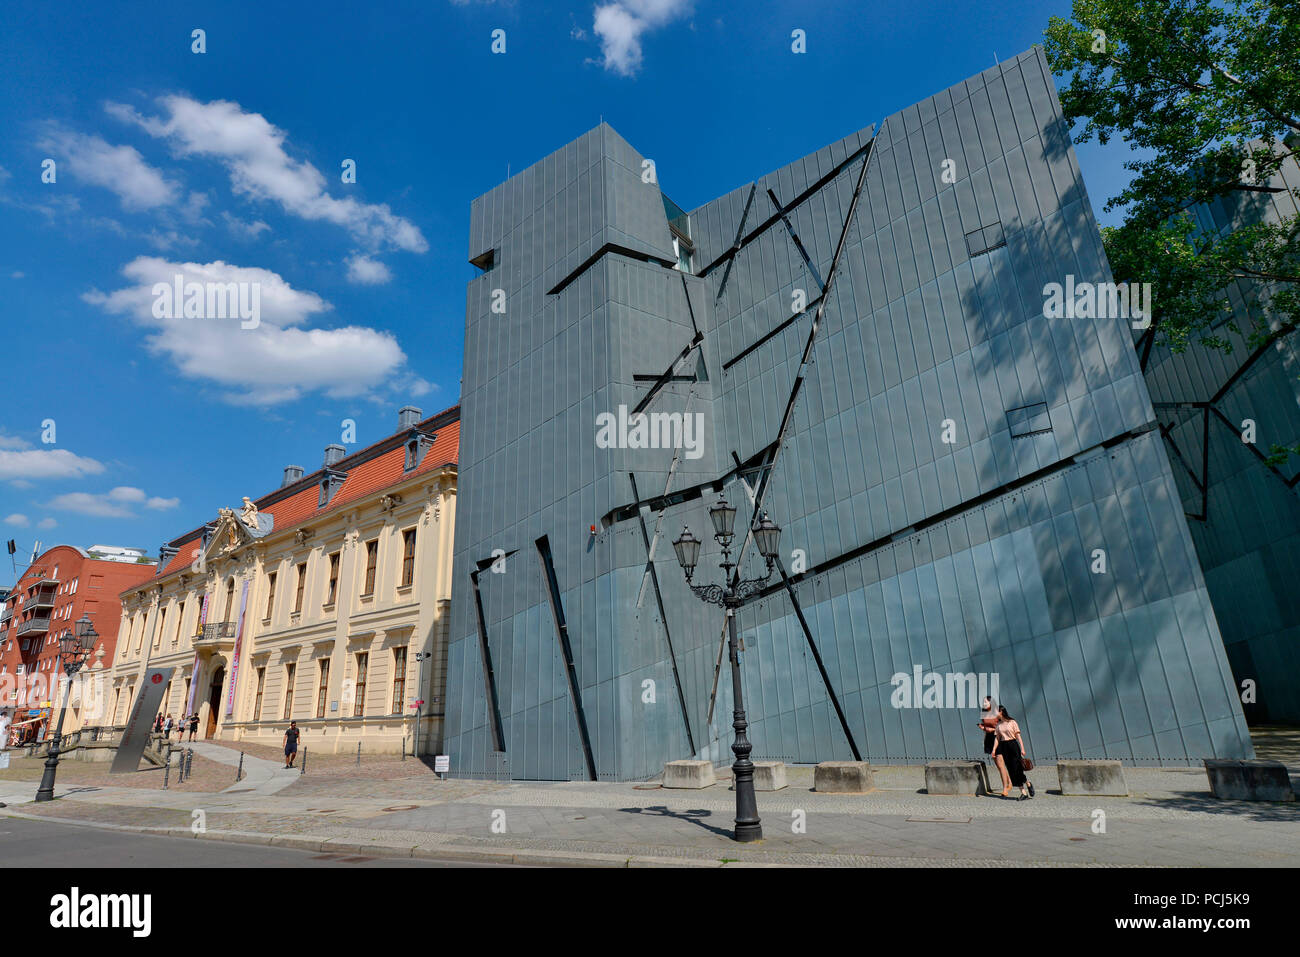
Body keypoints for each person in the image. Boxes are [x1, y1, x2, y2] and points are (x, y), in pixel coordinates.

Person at [990, 705, 1034, 800]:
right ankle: (1024, 793)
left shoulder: (1012, 722)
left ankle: (1028, 784)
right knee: (1011, 770)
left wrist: (1022, 748)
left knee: (1018, 768)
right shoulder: (998, 725)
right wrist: (994, 750)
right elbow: (997, 738)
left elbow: (1018, 736)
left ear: (1001, 712)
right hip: (1004, 747)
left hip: (1013, 745)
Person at [975, 696, 1010, 794]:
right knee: (998, 765)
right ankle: (1009, 782)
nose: (984, 704)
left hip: (998, 738)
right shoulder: (983, 713)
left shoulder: (997, 712)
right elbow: (986, 726)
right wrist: (983, 728)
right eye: (983, 702)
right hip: (989, 739)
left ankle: (1005, 788)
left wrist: (992, 730)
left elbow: (1003, 726)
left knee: (1001, 764)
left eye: (986, 702)